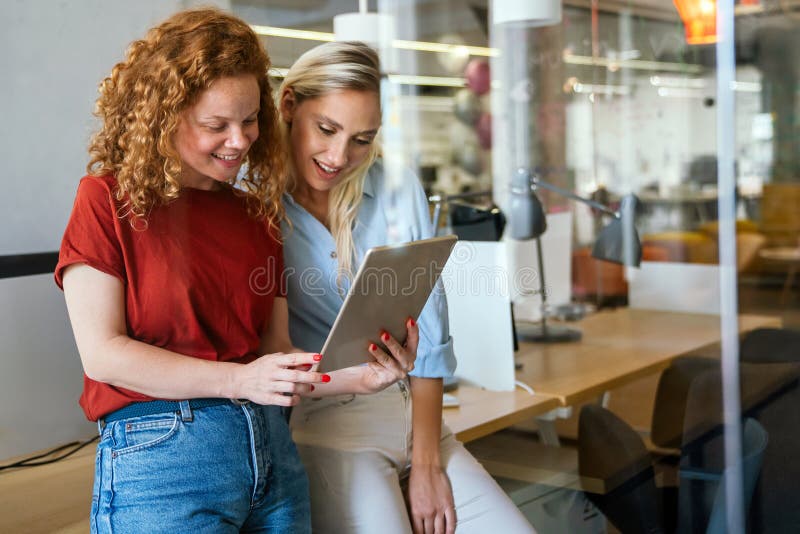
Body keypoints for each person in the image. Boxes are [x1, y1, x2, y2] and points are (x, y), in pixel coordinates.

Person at [55, 10, 415, 533]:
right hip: (164, 464)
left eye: (249, 121)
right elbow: (103, 355)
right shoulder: (106, 201)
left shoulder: (257, 215)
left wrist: (358, 378)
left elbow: (275, 358)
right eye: (216, 125)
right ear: (164, 115)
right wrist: (239, 379)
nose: (240, 140)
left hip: (273, 460)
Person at [278, 41, 536, 534]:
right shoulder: (255, 199)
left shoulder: (395, 187)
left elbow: (432, 338)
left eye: (362, 139)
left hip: (420, 423)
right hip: (331, 427)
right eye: (327, 130)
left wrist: (428, 464)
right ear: (290, 105)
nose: (339, 156)